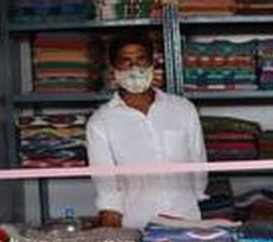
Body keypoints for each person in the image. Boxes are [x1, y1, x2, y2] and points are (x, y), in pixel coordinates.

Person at [87, 32, 208, 229]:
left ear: (152, 62)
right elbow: (107, 186)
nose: (135, 68)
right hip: (137, 225)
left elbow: (198, 165)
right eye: (126, 61)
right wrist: (112, 232)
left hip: (186, 221)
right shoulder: (100, 121)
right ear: (113, 68)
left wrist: (192, 199)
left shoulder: (183, 109)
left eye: (141, 59)